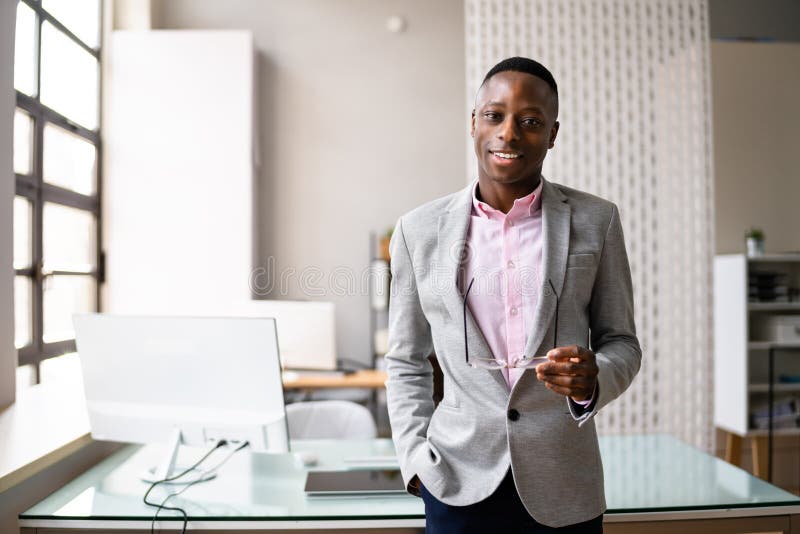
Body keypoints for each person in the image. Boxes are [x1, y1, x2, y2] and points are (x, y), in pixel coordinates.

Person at [384, 57, 641, 533]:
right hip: (456, 480)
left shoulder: (596, 220)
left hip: (564, 484)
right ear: (473, 123)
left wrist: (592, 382)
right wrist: (414, 457)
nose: (509, 133)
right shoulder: (417, 231)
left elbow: (622, 341)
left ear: (553, 133)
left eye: (530, 121)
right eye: (494, 116)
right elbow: (405, 359)